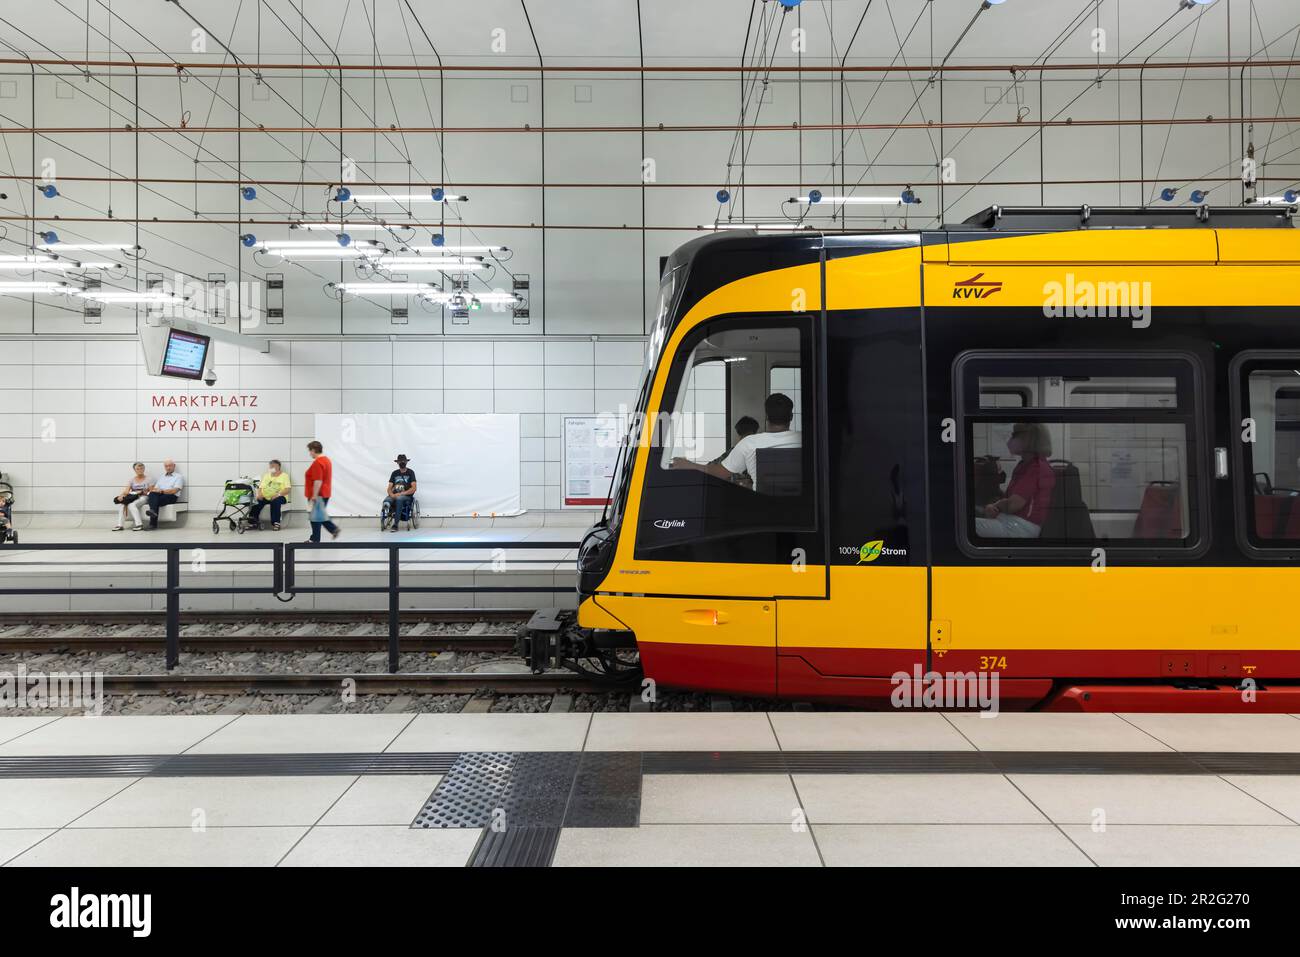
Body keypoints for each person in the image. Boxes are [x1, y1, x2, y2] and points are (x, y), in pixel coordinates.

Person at [671, 393, 801, 489]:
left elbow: (719, 472)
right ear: (791, 416)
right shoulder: (805, 440)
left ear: (766, 416)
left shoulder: (749, 443)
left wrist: (689, 465)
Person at [975, 422, 1056, 538]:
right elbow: (1007, 499)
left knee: (964, 527)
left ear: (1027, 439)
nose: (1010, 439)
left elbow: (1013, 504)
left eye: (1014, 435)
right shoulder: (1023, 465)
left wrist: (996, 505)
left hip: (1021, 526)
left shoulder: (1037, 468)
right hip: (1010, 521)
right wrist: (991, 506)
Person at [304, 440, 340, 543]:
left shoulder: (318, 462)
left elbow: (318, 480)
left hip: (318, 494)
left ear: (314, 450)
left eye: (310, 451)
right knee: (318, 515)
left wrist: (314, 495)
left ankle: (315, 539)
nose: (310, 453)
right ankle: (333, 529)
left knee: (315, 517)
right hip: (325, 492)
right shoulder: (326, 460)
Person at [710, 416, 760, 487]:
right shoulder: (760, 452)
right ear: (755, 433)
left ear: (738, 433)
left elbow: (711, 467)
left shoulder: (734, 451)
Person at [249, 459, 291, 530]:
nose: (271, 468)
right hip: (266, 496)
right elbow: (260, 487)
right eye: (270, 466)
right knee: (256, 502)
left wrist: (278, 495)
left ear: (278, 467)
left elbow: (288, 489)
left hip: (280, 496)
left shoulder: (284, 476)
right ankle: (253, 522)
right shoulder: (266, 475)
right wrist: (260, 494)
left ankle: (276, 523)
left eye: (273, 466)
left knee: (275, 502)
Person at [144, 460, 185, 529]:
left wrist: (162, 491)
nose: (168, 468)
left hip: (171, 496)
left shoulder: (179, 477)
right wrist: (153, 491)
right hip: (159, 495)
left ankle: (153, 524)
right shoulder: (162, 477)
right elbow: (155, 489)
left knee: (154, 501)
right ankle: (152, 512)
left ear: (174, 466)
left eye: (170, 466)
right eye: (166, 466)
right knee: (152, 494)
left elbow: (174, 491)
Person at [112, 462, 152, 531]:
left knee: (132, 505)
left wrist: (143, 492)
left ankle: (139, 524)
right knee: (122, 504)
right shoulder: (132, 480)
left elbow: (151, 491)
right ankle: (120, 525)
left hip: (143, 497)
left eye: (141, 468)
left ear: (144, 469)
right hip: (133, 496)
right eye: (137, 469)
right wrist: (121, 496)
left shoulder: (149, 479)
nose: (140, 470)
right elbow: (126, 491)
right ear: (135, 470)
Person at [385, 454, 418, 531]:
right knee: (388, 499)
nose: (402, 462)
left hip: (406, 496)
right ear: (397, 462)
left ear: (406, 462)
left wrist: (400, 494)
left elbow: (414, 488)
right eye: (400, 461)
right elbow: (389, 488)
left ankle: (395, 525)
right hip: (395, 494)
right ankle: (387, 506)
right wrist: (391, 494)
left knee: (399, 499)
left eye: (403, 461)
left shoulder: (410, 472)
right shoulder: (394, 473)